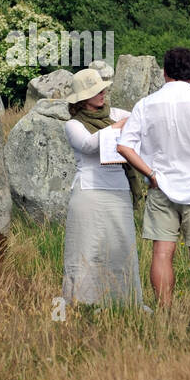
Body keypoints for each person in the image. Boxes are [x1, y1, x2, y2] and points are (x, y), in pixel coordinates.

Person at [117, 48, 190, 309]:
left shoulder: (146, 104)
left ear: (164, 71)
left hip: (161, 187)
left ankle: (165, 312)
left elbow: (124, 146)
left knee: (162, 252)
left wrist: (151, 174)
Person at [61, 68, 145, 308]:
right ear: (81, 98)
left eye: (102, 89)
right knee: (87, 249)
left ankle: (124, 302)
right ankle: (83, 303)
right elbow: (88, 145)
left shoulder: (116, 113)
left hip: (118, 190)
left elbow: (141, 119)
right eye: (95, 91)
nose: (102, 94)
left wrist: (127, 122)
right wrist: (117, 127)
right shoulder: (74, 124)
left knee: (121, 248)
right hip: (89, 191)